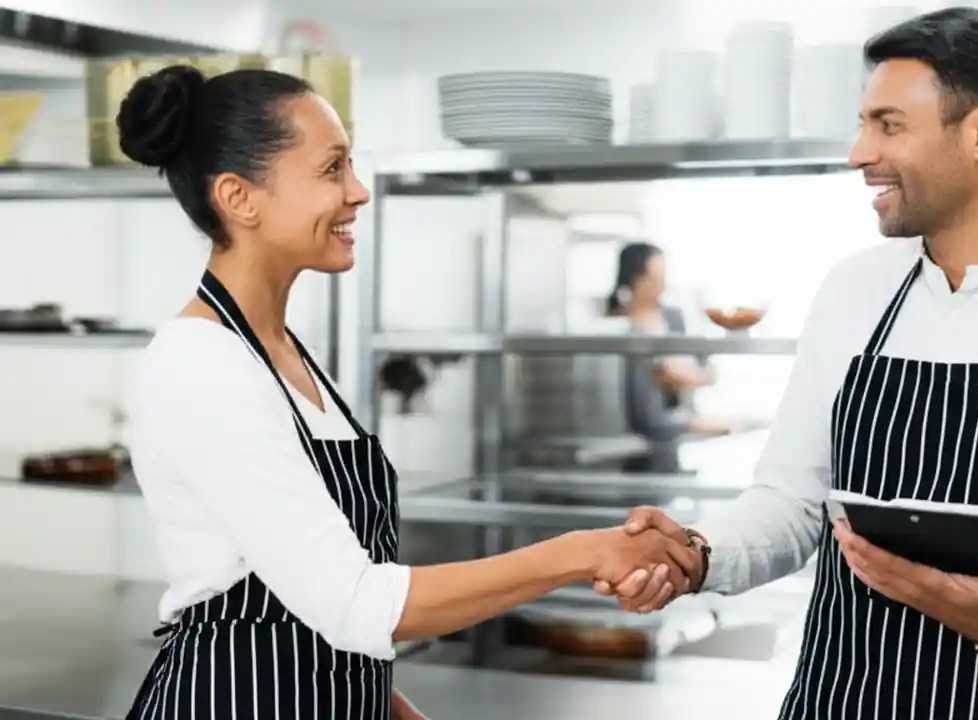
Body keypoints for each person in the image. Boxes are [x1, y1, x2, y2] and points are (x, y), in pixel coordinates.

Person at [597, 8, 978, 719]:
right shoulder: (853, 291)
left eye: (888, 125)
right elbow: (790, 505)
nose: (858, 152)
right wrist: (698, 554)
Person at [118, 65, 699, 719]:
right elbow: (355, 602)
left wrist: (386, 707)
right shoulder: (200, 363)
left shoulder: (290, 359)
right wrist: (583, 551)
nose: (359, 192)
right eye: (332, 169)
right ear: (239, 197)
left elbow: (311, 600)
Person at [606, 241, 734, 471]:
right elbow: (642, 411)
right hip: (636, 442)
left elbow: (704, 365)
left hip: (675, 436)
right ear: (636, 279)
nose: (662, 285)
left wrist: (694, 376)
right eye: (656, 277)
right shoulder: (620, 327)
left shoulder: (674, 318)